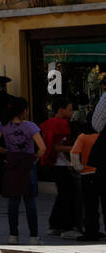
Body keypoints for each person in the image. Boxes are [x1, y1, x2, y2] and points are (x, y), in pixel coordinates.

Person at [0, 97, 45, 244]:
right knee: (30, 201)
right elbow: (42, 148)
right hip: (27, 164)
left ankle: (13, 235)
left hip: (12, 164)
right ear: (24, 110)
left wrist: (6, 151)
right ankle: (34, 236)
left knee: (13, 202)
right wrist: (36, 157)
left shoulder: (3, 125)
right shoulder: (30, 126)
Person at [39, 96, 77, 237]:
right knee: (68, 195)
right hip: (59, 164)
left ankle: (55, 224)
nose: (72, 112)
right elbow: (57, 147)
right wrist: (73, 149)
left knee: (63, 195)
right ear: (61, 110)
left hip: (53, 164)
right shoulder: (60, 124)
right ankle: (66, 227)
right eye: (70, 109)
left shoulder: (49, 123)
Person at [71, 118, 102, 241]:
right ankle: (98, 230)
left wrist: (79, 167)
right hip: (101, 172)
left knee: (90, 206)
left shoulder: (83, 137)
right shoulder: (100, 136)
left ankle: (91, 232)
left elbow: (74, 153)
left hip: (87, 174)